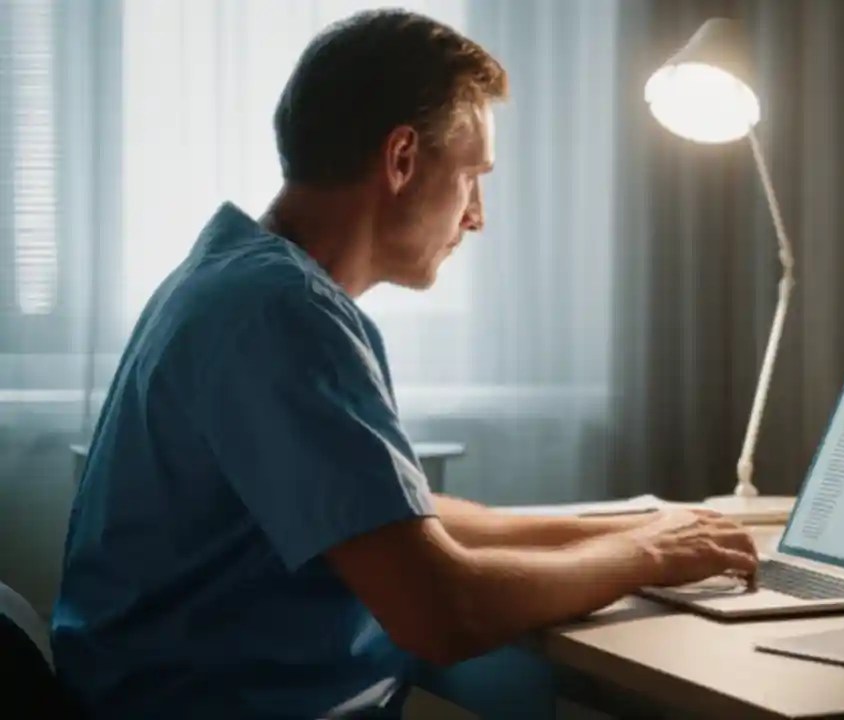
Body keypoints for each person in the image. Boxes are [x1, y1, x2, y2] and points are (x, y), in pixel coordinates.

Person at [50, 9, 758, 719]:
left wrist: (626, 530)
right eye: (472, 176)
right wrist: (649, 558)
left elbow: (389, 516)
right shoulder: (283, 313)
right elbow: (441, 611)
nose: (477, 215)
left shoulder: (232, 276)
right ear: (401, 159)